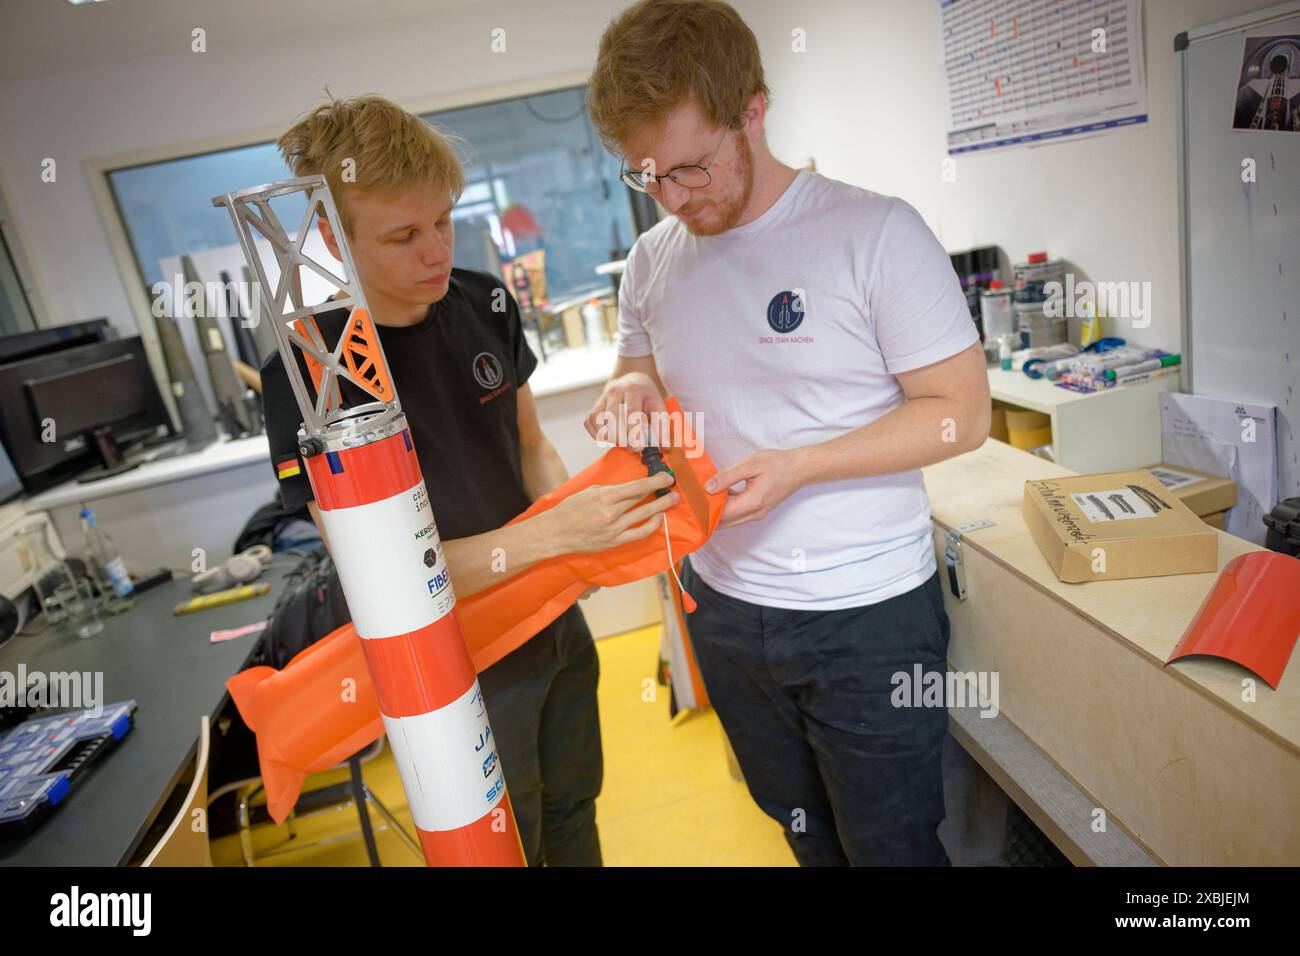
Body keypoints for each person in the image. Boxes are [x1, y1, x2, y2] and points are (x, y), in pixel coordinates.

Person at [584, 0, 992, 866]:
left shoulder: (873, 232)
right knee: (801, 834)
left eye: (692, 167)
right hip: (724, 606)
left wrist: (803, 466)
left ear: (753, 111)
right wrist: (628, 387)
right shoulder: (653, 261)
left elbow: (962, 411)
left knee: (890, 848)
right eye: (647, 176)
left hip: (866, 615)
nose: (673, 197)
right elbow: (639, 365)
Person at [259, 94, 678, 866]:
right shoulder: (311, 375)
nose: (435, 252)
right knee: (502, 841)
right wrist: (554, 537)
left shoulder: (484, 299)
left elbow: (529, 449)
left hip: (550, 621)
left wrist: (575, 540)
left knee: (574, 810)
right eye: (403, 236)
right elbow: (382, 573)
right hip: (453, 666)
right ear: (331, 237)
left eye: (444, 222)